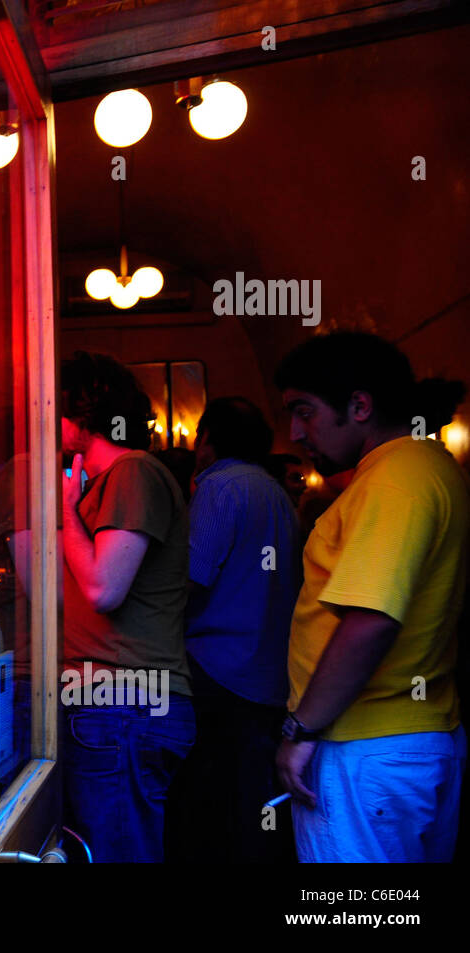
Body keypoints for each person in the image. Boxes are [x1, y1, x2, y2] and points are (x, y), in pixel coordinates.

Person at [273, 331, 468, 862]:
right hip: (401, 737)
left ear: (360, 405)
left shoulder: (394, 479)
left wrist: (301, 729)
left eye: (304, 411)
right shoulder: (419, 468)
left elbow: (370, 621)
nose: (294, 431)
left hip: (364, 745)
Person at [59, 351, 194, 863]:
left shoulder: (133, 470)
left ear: (81, 412)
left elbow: (103, 589)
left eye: (58, 406)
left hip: (124, 704)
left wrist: (67, 510)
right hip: (114, 705)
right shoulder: (107, 482)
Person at [168, 397, 300, 863]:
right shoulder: (276, 492)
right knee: (252, 804)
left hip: (220, 670)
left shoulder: (221, 488)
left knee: (208, 805)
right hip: (268, 671)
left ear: (206, 441)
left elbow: (191, 575)